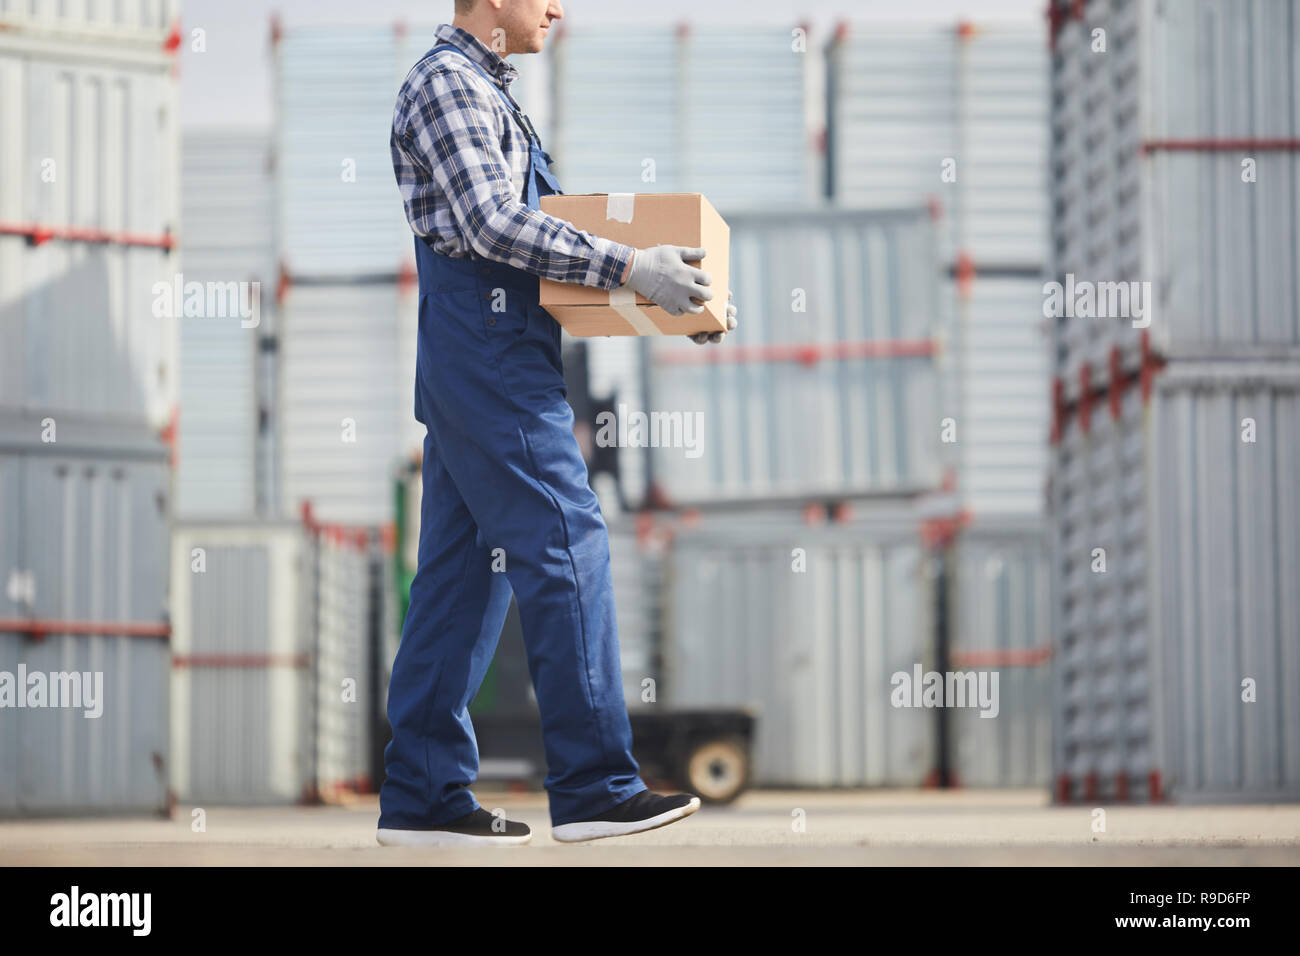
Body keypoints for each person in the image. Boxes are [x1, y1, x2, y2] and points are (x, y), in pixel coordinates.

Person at [377, 0, 738, 847]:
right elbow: (494, 225)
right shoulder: (448, 84)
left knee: (463, 578)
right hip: (490, 358)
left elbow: (551, 246)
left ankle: (424, 794)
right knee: (567, 543)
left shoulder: (490, 92)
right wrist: (633, 268)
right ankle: (595, 785)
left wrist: (682, 295)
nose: (557, 7)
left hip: (492, 354)